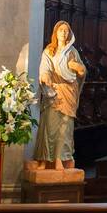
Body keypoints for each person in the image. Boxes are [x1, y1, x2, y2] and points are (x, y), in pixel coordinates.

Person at [35, 21, 86, 170]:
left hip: (69, 92)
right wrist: (45, 76)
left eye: (66, 31)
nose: (63, 33)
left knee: (65, 128)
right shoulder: (49, 51)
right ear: (55, 33)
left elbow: (82, 72)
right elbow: (45, 68)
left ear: (69, 34)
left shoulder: (72, 52)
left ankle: (60, 159)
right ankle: (45, 158)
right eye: (61, 30)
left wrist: (79, 69)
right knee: (49, 126)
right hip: (54, 93)